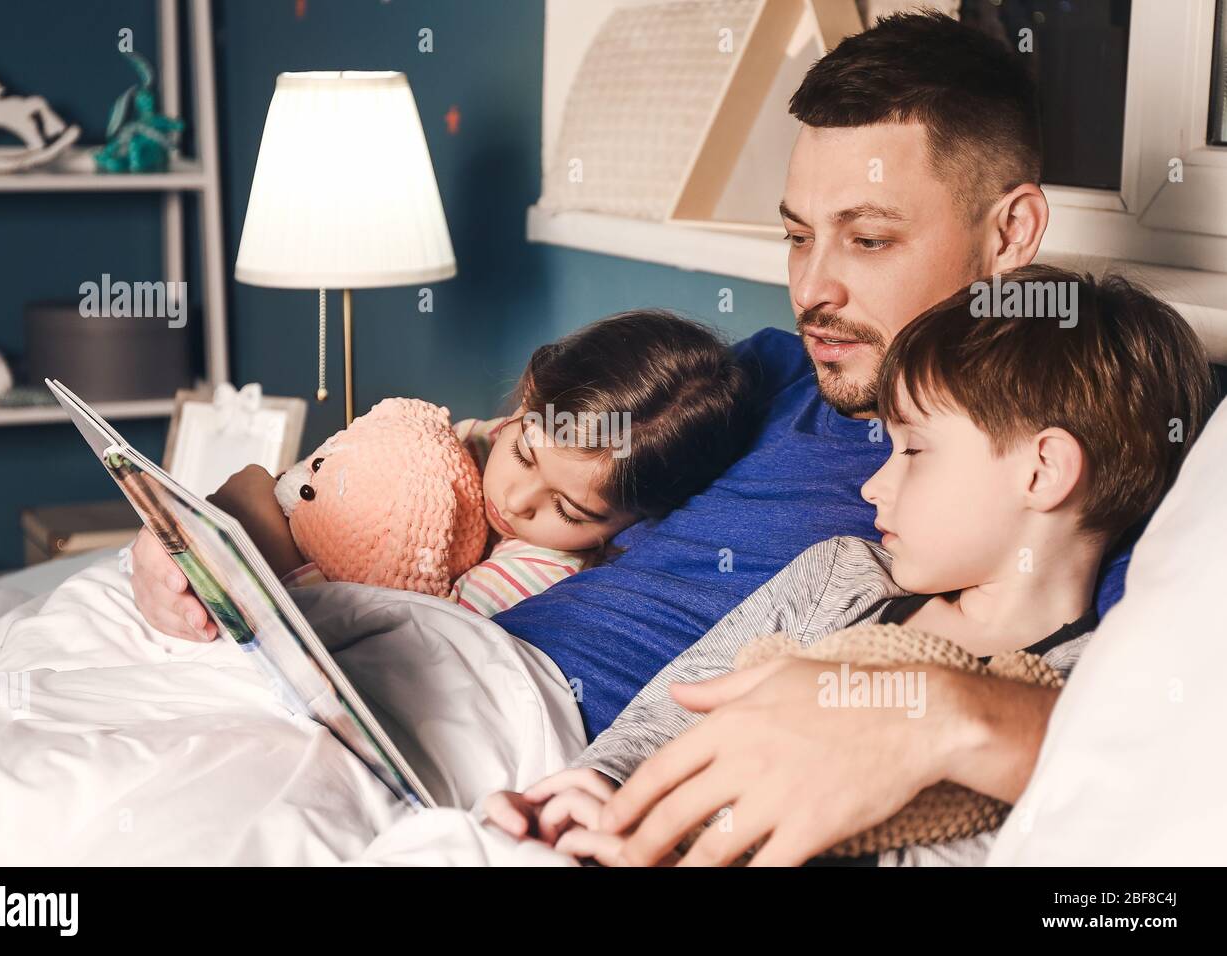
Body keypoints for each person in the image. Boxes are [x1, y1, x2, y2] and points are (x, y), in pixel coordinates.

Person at [130, 13, 1136, 864]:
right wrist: (221, 532)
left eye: (867, 238)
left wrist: (932, 710)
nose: (812, 288)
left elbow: (1153, 742)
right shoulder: (764, 374)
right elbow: (481, 462)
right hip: (425, 672)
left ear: (1008, 235)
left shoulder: (1042, 469)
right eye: (796, 234)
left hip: (512, 741)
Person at [483, 266, 1215, 865]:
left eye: (915, 451)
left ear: (1043, 471)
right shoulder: (840, 573)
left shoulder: (1090, 691)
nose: (873, 487)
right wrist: (597, 785)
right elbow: (679, 702)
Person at [133, 309, 755, 630]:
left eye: (567, 510)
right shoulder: (461, 441)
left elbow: (416, 629)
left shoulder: (541, 566)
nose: (515, 500)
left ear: (630, 525)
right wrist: (197, 522)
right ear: (527, 396)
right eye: (525, 453)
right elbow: (305, 492)